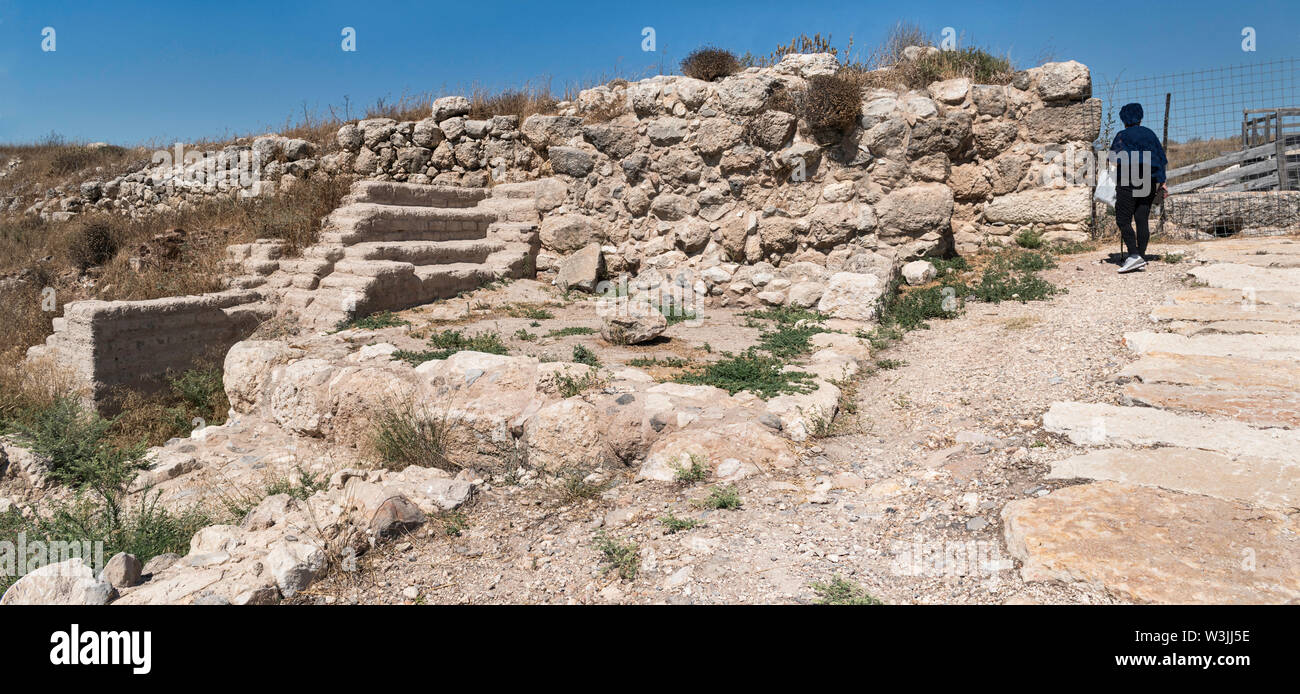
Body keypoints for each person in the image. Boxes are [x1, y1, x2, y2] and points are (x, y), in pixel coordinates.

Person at [1109, 102, 1168, 273]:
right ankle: (1140, 256)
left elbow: (1113, 159)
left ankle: (1134, 255)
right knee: (1142, 219)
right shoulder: (1150, 134)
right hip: (1148, 181)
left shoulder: (1122, 135)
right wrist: (1162, 182)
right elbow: (1161, 159)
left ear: (1124, 119)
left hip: (1128, 180)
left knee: (1123, 219)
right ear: (1140, 117)